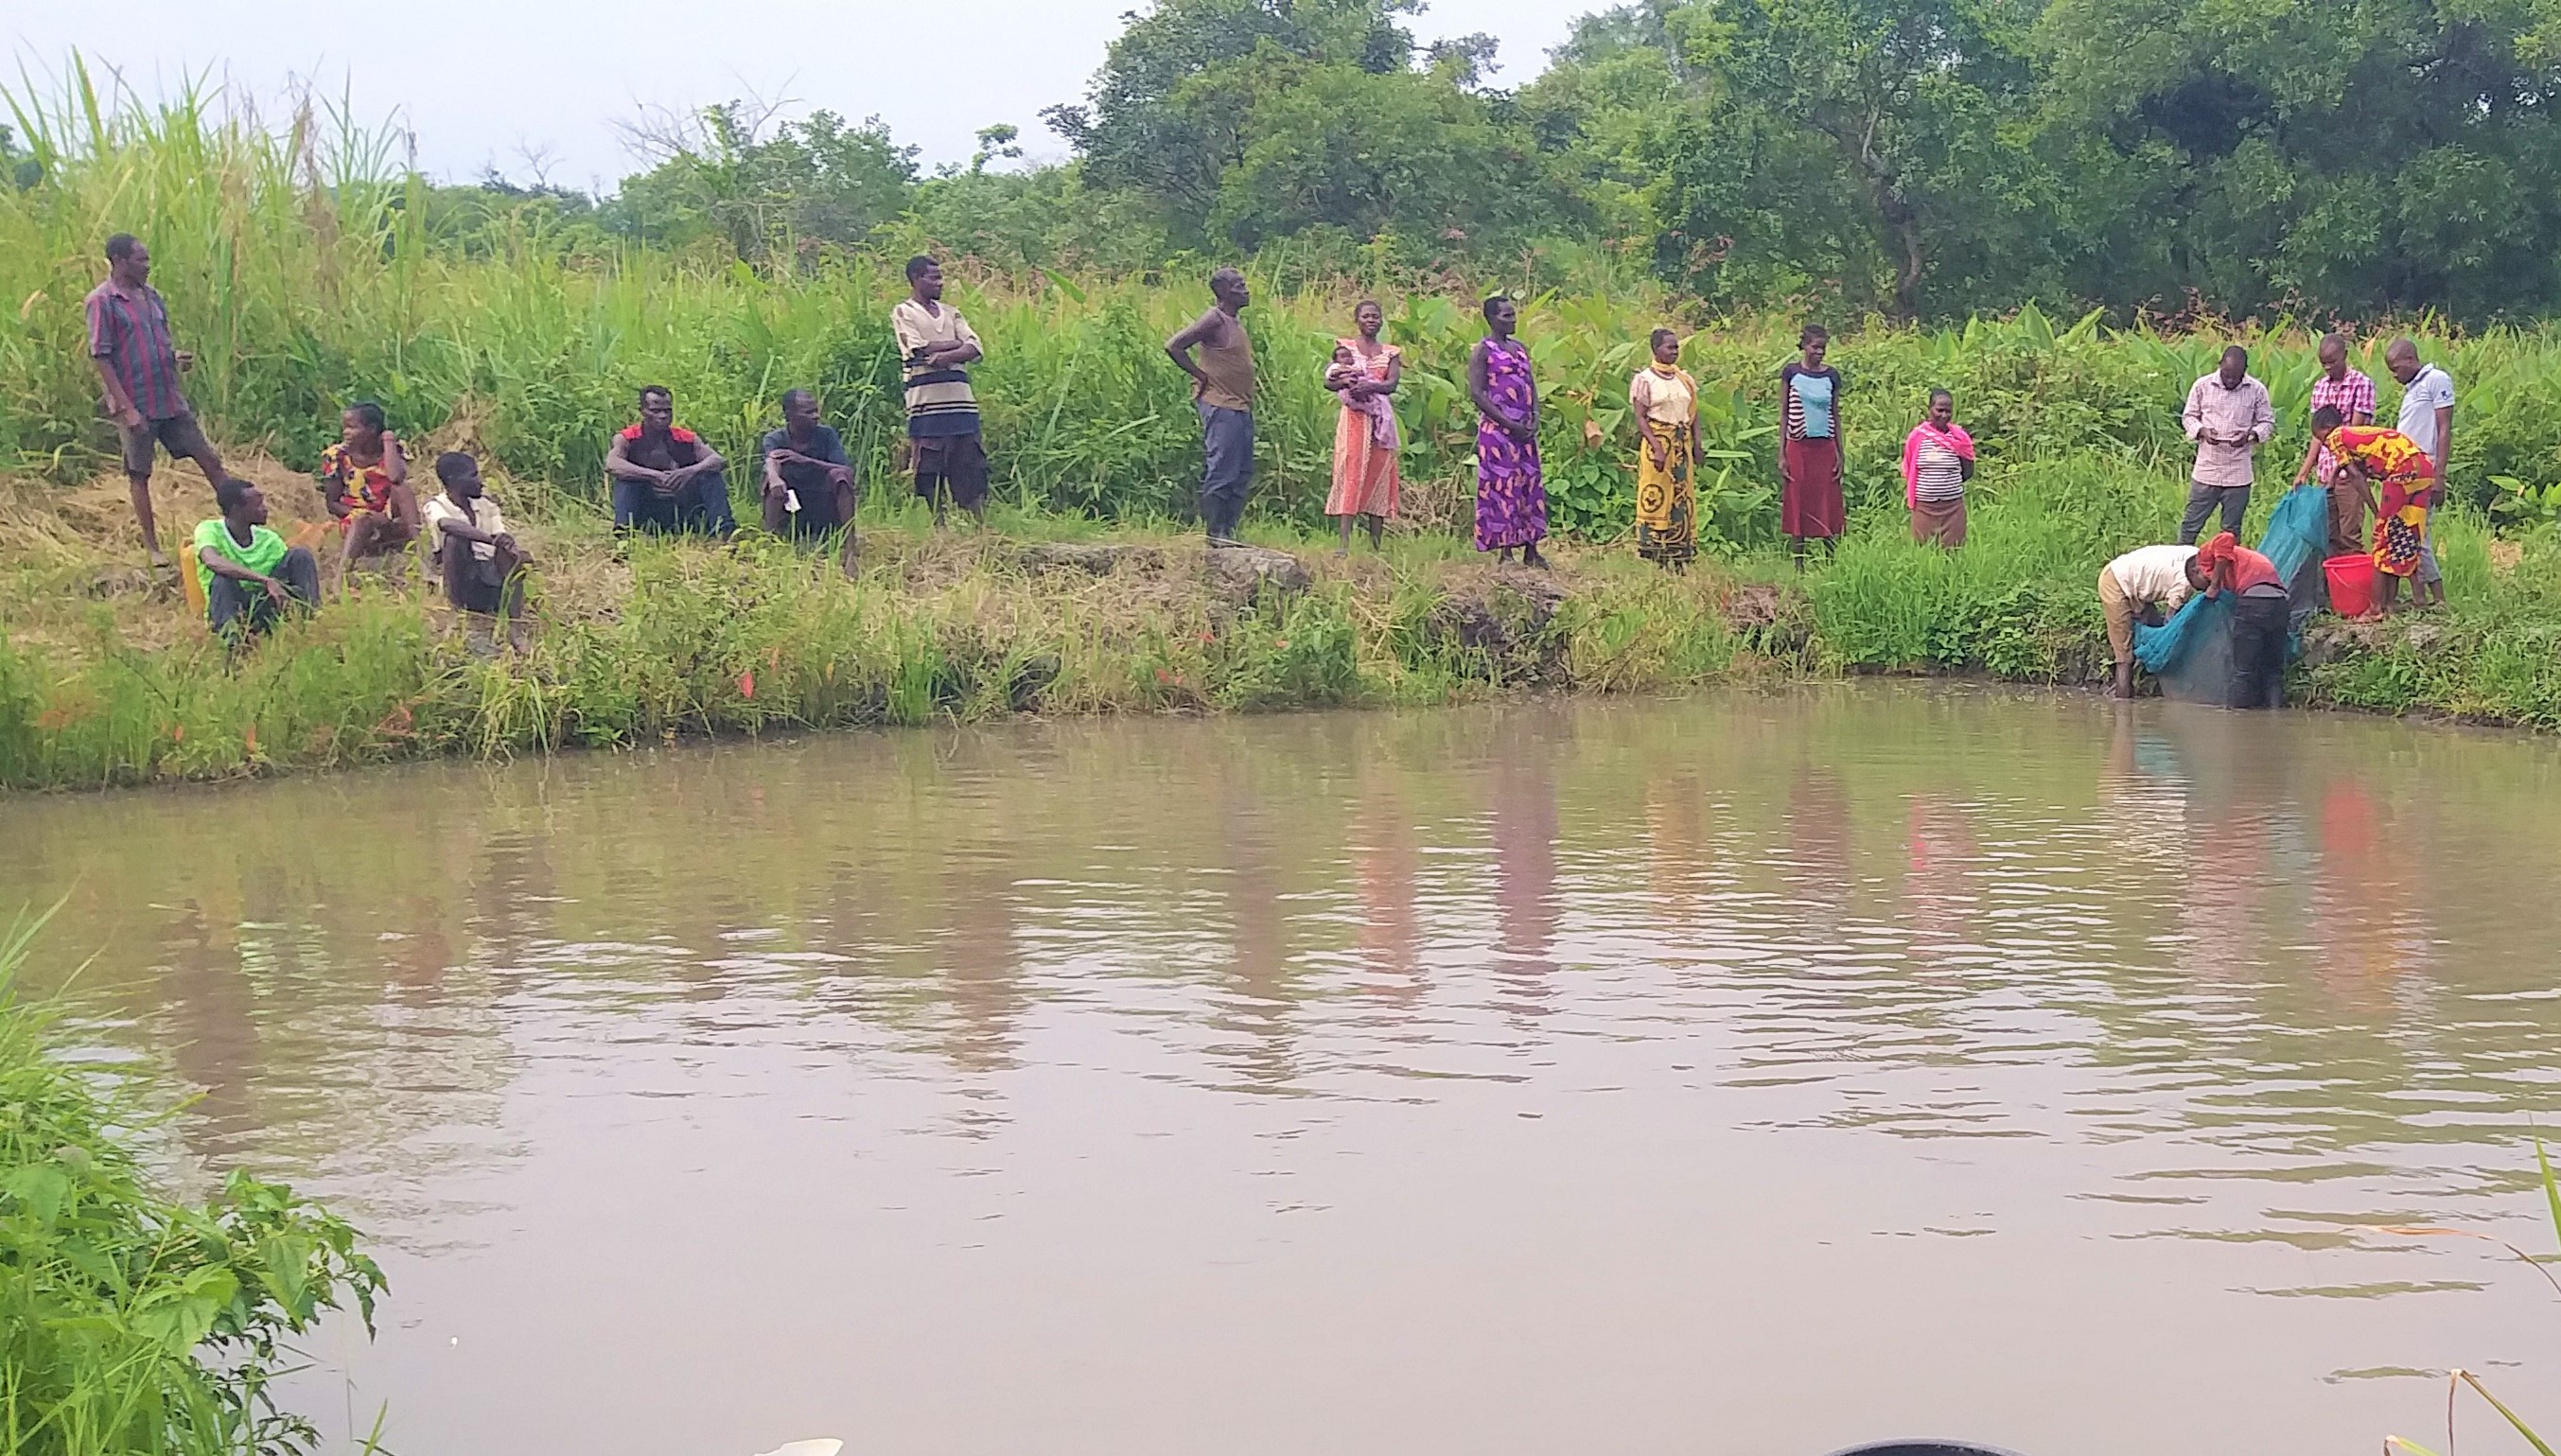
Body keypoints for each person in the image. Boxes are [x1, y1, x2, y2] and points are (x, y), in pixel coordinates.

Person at [86, 234, 231, 569]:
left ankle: (238, 528)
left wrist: (174, 357)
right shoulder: (103, 301)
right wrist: (126, 408)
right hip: (135, 402)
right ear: (119, 261)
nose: (147, 266)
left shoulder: (151, 297)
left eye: (148, 259)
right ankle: (153, 549)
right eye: (140, 260)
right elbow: (102, 357)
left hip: (168, 398)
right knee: (140, 473)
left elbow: (153, 342)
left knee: (209, 459)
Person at [891, 255, 990, 527]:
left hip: (961, 404)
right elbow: (917, 348)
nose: (940, 283)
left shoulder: (952, 312)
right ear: (915, 279)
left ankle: (980, 524)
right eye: (933, 278)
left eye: (940, 277)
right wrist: (957, 348)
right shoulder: (904, 312)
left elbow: (976, 346)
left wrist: (946, 355)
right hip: (926, 405)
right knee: (929, 464)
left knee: (971, 462)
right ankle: (939, 524)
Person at [2312, 407, 2438, 616]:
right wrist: (2333, 481)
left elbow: (2356, 477)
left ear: (2327, 428)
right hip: (2422, 465)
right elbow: (2349, 467)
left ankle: (2375, 608)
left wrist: (2376, 510)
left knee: (2382, 540)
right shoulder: (2357, 436)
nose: (2327, 446)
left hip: (2402, 469)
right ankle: (2416, 600)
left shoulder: (2336, 436)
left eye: (2322, 440)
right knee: (2406, 534)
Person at [1166, 267, 1257, 547]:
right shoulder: (1214, 319)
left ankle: (1228, 531)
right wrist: (1199, 375)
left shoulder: (1234, 322)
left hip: (1239, 406)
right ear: (1224, 292)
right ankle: (1214, 533)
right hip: (1220, 405)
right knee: (1223, 469)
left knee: (1241, 472)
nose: (1245, 290)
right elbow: (1174, 346)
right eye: (1239, 286)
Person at [422, 451, 534, 652]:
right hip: (463, 579)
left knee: (508, 552)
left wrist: (514, 550)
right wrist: (490, 539)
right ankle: (457, 610)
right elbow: (446, 524)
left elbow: (501, 536)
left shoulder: (487, 505)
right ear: (453, 480)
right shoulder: (435, 506)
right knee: (455, 541)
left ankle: (515, 626)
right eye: (473, 475)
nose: (479, 481)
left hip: (491, 575)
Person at [1468, 294, 1547, 569]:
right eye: (1506, 316)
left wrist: (1534, 416)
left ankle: (1531, 549)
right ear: (1491, 319)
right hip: (1498, 432)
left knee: (1529, 486)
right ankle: (1505, 552)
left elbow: (1531, 385)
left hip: (1524, 430)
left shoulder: (1520, 348)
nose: (1512, 320)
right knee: (1503, 489)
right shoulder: (1483, 351)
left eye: (1513, 315)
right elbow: (1477, 394)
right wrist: (1507, 423)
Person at [193, 477, 320, 644]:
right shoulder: (210, 530)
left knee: (300, 556)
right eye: (257, 505)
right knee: (221, 581)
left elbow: (288, 575)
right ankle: (232, 641)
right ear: (237, 510)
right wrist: (264, 580)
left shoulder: (268, 539)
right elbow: (211, 560)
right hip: (234, 607)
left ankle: (311, 620)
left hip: (266, 606)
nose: (265, 509)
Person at [315, 401, 420, 594]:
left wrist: (388, 441)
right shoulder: (336, 456)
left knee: (403, 489)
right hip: (358, 524)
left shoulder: (392, 452)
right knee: (363, 520)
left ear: (372, 429)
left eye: (352, 427)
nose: (345, 432)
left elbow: (396, 478)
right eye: (344, 427)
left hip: (390, 521)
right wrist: (367, 514)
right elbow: (332, 504)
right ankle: (340, 581)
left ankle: (423, 560)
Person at [1324, 301, 1401, 555]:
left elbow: (1391, 385)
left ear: (1382, 320)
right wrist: (1348, 383)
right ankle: (1343, 544)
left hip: (1380, 421)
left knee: (1378, 474)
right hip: (1354, 420)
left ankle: (1376, 545)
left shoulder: (1390, 353)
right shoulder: (1344, 348)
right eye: (1366, 316)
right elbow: (1330, 382)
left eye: (1376, 316)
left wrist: (1370, 387)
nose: (1371, 320)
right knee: (1351, 470)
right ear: (1357, 319)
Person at [605, 386, 734, 536]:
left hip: (684, 511)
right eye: (655, 411)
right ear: (642, 411)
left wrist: (688, 472)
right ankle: (624, 533)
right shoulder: (627, 437)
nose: (663, 416)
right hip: (647, 512)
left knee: (711, 474)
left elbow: (717, 459)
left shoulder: (685, 437)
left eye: (667, 410)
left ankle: (724, 532)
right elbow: (612, 464)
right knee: (626, 479)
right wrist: (653, 476)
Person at [760, 389, 859, 578]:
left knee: (840, 477)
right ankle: (769, 544)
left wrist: (804, 460)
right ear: (789, 415)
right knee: (771, 480)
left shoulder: (826, 435)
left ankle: (850, 551)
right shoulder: (776, 438)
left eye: (815, 410)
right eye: (808, 412)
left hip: (823, 507)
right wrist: (774, 478)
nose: (816, 416)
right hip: (791, 509)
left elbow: (846, 471)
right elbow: (771, 460)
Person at [2179, 345, 2273, 544]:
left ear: (2245, 370)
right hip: (2207, 469)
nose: (2230, 381)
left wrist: (2250, 436)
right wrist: (2202, 431)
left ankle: (2226, 573)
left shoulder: (2257, 390)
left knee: (2230, 533)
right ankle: (2180, 567)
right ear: (2220, 365)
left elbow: (2267, 422)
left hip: (2238, 473)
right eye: (2227, 375)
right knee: (2190, 526)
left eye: (2235, 377)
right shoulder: (2202, 386)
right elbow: (2188, 416)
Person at [2385, 338, 2454, 606]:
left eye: (2396, 367)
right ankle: (2419, 597)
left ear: (2411, 360)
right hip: (2406, 471)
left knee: (2419, 534)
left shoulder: (2436, 379)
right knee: (2405, 533)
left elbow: (2444, 428)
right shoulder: (2412, 387)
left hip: (2425, 470)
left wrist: (2440, 474)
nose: (2394, 374)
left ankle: (2438, 599)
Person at [2291, 333, 2375, 554]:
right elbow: (2317, 435)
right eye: (2323, 363)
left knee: (2349, 534)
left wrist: (2338, 471)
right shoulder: (2320, 387)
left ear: (2345, 356)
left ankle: (2355, 584)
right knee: (2328, 534)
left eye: (2332, 361)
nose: (2328, 367)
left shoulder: (2362, 385)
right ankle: (2331, 585)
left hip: (2350, 472)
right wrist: (2304, 471)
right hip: (2325, 474)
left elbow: (2353, 435)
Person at [2192, 532, 2290, 709]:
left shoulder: (2204, 557)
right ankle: (2275, 717)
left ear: (2196, 570)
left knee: (2243, 672)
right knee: (2273, 672)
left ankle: (2236, 720)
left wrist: (2213, 586)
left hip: (2254, 603)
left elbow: (2226, 537)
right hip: (2280, 604)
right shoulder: (2241, 561)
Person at [1629, 327, 1697, 570]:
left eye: (1676, 347)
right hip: (1658, 443)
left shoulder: (1684, 379)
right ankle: (1656, 552)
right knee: (1657, 496)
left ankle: (1679, 552)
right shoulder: (1645, 380)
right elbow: (1640, 417)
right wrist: (1657, 447)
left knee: (1681, 496)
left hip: (1681, 444)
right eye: (1669, 347)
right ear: (1655, 349)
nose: (1674, 351)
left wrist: (1697, 444)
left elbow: (1693, 413)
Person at [1779, 325, 1845, 568]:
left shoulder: (1831, 376)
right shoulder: (1791, 373)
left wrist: (1840, 453)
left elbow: (1835, 416)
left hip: (1825, 449)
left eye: (1823, 348)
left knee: (1828, 501)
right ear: (1804, 346)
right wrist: (1782, 454)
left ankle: (1831, 561)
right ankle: (1799, 565)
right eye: (1815, 347)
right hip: (1798, 447)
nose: (1819, 352)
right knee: (1799, 501)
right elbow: (1784, 414)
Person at [2098, 543, 2199, 699]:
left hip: (2134, 579)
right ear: (2195, 572)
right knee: (2124, 655)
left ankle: (2126, 685)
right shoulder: (2184, 584)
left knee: (2153, 625)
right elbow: (2169, 623)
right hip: (2116, 582)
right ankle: (2122, 704)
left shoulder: (2196, 555)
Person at [1901, 388, 1975, 547]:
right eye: (1939, 410)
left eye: (1948, 411)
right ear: (1930, 410)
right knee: (1924, 550)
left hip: (1952, 507)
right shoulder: (1917, 437)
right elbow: (1909, 466)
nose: (1944, 415)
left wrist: (1946, 482)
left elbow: (1968, 469)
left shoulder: (1960, 437)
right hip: (1924, 507)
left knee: (1954, 551)